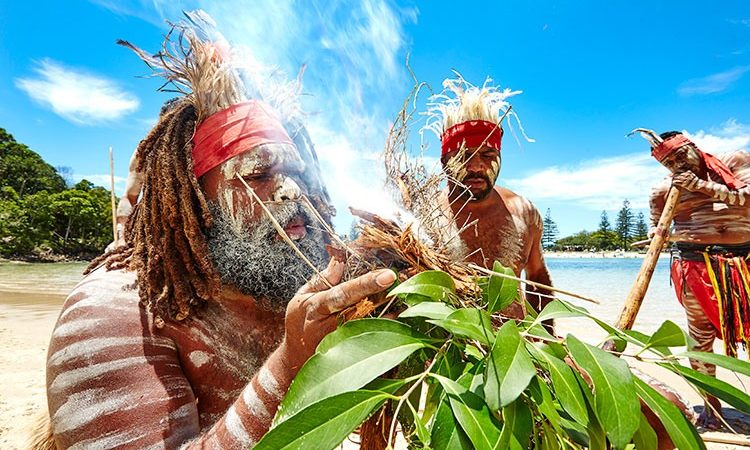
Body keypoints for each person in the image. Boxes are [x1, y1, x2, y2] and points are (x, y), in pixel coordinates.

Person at [40, 13, 396, 449]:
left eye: (296, 174)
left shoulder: (293, 283)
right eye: (260, 173)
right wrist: (290, 366)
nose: (290, 191)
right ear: (192, 199)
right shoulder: (114, 313)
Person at [642, 129, 750, 436]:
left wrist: (702, 186)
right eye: (669, 163)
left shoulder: (737, 161)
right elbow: (656, 228)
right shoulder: (662, 190)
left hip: (749, 265)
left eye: (680, 156)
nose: (677, 166)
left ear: (694, 147)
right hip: (696, 270)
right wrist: (656, 236)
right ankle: (711, 410)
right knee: (700, 341)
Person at [426, 77, 553, 321]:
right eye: (464, 156)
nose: (476, 166)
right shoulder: (424, 215)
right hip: (444, 348)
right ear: (444, 162)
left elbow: (537, 279)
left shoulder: (523, 213)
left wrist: (547, 341)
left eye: (487, 154)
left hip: (514, 348)